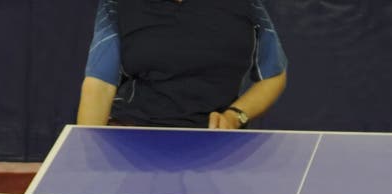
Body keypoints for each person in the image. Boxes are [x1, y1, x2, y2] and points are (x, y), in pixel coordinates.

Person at [76, 0, 288, 129]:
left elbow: (273, 75)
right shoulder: (118, 5)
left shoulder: (246, 4)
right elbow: (100, 86)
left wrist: (235, 116)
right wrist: (83, 159)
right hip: (136, 134)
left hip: (215, 141)